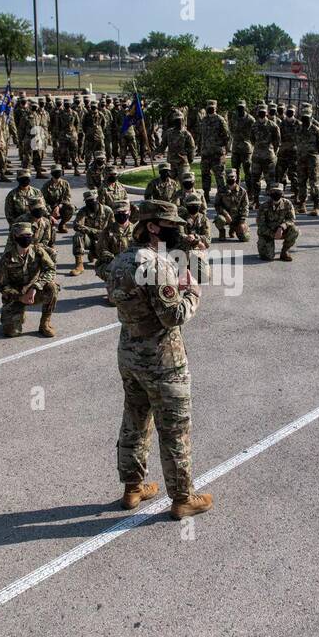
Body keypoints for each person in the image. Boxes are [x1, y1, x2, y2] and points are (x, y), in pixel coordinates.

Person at [104, 200, 211, 518]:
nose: (175, 230)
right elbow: (174, 315)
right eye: (169, 225)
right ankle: (182, 498)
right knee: (175, 429)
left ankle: (132, 488)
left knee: (135, 421)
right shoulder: (156, 264)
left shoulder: (121, 260)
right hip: (163, 361)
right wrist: (192, 292)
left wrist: (194, 260)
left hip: (130, 354)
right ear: (151, 226)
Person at [0, 221, 60, 337]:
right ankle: (19, 313)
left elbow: (51, 269)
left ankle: (44, 323)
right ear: (15, 237)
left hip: (34, 292)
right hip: (15, 297)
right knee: (11, 332)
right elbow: (2, 286)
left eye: (29, 235)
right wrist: (20, 297)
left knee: (52, 287)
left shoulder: (37, 251)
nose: (26, 238)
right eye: (23, 236)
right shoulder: (6, 258)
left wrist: (36, 287)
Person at [257, 183, 299, 261]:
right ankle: (266, 249)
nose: (275, 194)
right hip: (267, 232)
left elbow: (291, 219)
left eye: (278, 192)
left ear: (282, 193)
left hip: (281, 230)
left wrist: (282, 227)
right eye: (273, 191)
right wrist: (273, 234)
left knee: (295, 230)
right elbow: (261, 225)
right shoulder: (264, 206)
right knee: (268, 257)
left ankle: (284, 251)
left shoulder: (287, 204)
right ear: (269, 193)